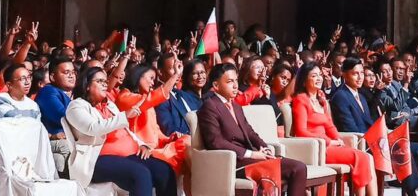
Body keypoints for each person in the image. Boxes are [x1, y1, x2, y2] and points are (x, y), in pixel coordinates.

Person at [197, 64, 311, 196]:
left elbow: (250, 132)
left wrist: (264, 147)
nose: (235, 85)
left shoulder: (235, 106)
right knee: (297, 168)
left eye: (236, 80)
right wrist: (251, 154)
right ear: (216, 85)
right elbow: (215, 142)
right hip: (233, 162)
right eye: (229, 82)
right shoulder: (210, 106)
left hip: (250, 156)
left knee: (298, 167)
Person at [329, 60, 418, 196]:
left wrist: (386, 134)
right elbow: (350, 128)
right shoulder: (341, 96)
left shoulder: (361, 96)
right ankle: (411, 193)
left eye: (361, 73)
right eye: (355, 74)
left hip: (378, 140)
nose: (360, 77)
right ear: (345, 75)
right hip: (364, 144)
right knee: (402, 150)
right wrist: (381, 139)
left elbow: (371, 123)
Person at [64, 66, 177, 196]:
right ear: (87, 85)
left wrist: (142, 144)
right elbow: (93, 128)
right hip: (97, 159)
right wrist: (124, 116)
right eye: (99, 81)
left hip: (128, 156)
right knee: (140, 173)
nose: (105, 85)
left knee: (165, 170)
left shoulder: (109, 105)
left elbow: (126, 131)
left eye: (105, 81)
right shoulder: (76, 106)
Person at [290, 63, 376, 196]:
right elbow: (301, 131)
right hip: (317, 148)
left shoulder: (320, 100)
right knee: (361, 157)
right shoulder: (301, 100)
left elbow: (330, 126)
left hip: (329, 145)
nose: (319, 78)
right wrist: (329, 141)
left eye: (320, 75)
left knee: (368, 157)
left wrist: (338, 139)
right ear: (304, 81)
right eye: (314, 76)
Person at [156, 58, 207, 138]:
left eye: (202, 72)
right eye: (195, 73)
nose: (200, 76)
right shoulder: (169, 98)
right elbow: (169, 128)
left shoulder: (207, 98)